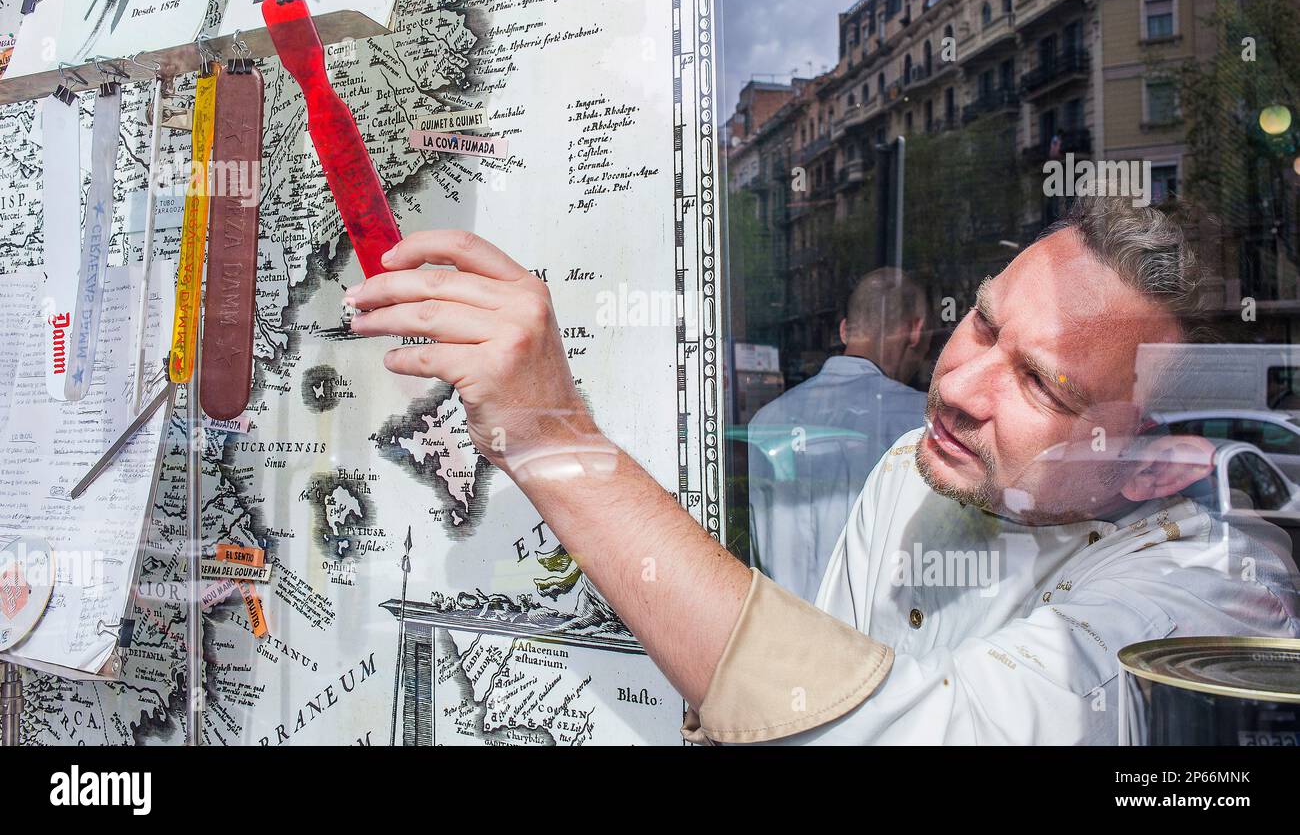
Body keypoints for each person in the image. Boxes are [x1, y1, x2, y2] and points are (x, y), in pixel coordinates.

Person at [345, 199, 1300, 745]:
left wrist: (552, 434)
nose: (958, 382)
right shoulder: (911, 469)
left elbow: (907, 731)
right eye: (982, 320)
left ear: (1148, 468)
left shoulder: (1215, 596)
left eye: (1042, 385)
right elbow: (825, 663)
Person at [748, 268, 928, 602]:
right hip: (872, 646)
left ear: (845, 330)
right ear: (915, 331)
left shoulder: (766, 421)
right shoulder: (923, 422)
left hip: (781, 632)